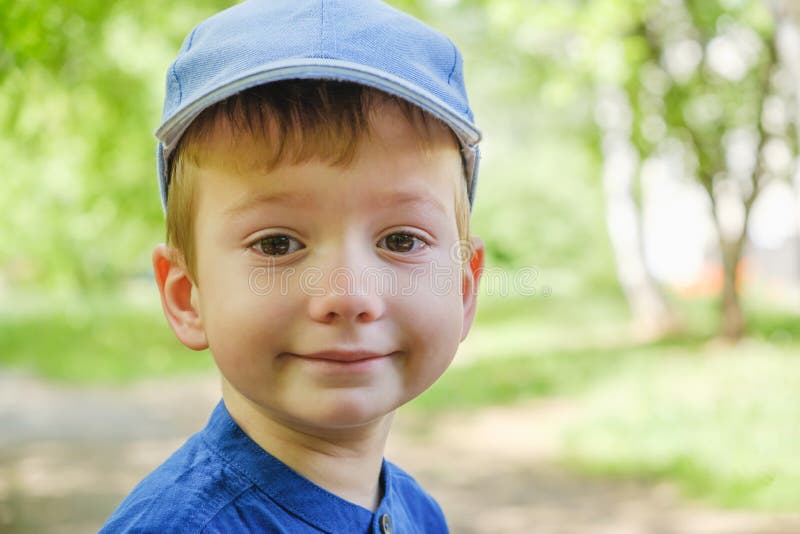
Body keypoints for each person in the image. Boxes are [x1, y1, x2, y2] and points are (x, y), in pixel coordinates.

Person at [101, 0, 484, 531]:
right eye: (277, 244)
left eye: (401, 239)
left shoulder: (418, 513)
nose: (348, 296)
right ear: (188, 296)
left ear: (463, 290)